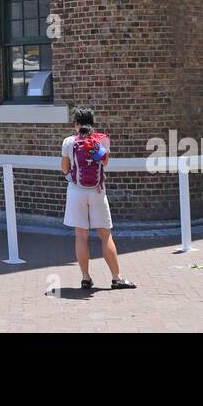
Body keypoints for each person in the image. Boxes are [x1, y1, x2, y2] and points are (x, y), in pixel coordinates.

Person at [61, 107, 134, 291]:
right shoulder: (101, 140)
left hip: (76, 191)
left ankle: (85, 278)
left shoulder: (69, 141)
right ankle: (116, 278)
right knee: (105, 234)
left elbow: (64, 168)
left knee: (81, 235)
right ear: (92, 123)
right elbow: (105, 163)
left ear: (76, 124)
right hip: (97, 191)